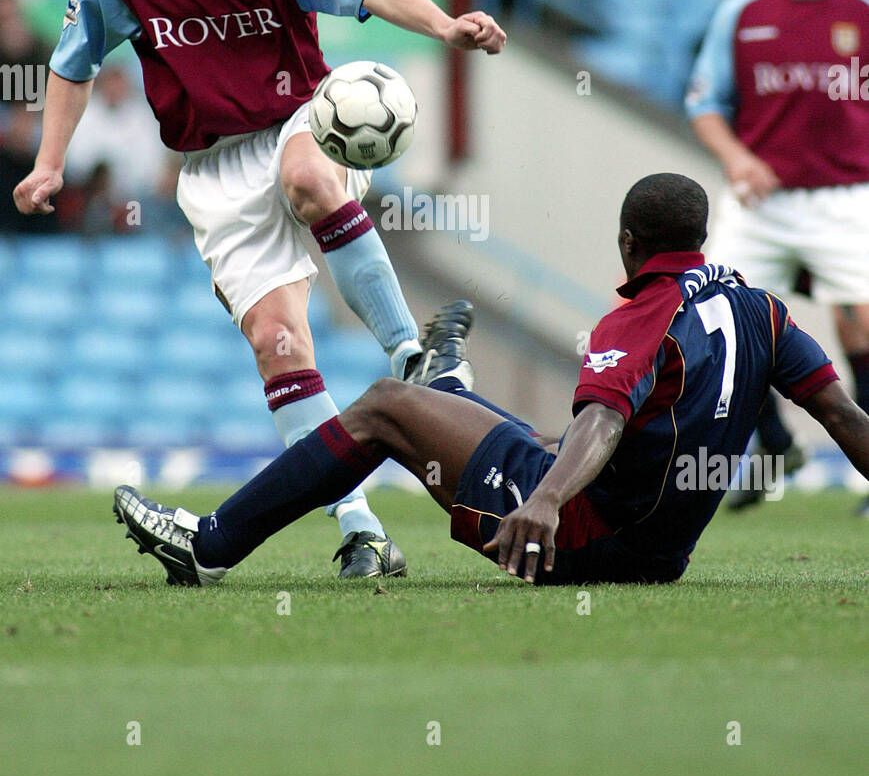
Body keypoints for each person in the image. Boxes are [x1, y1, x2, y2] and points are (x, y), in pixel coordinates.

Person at [13, 0, 505, 576]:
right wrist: (49, 164)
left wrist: (444, 24)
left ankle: (411, 357)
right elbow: (72, 64)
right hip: (209, 168)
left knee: (311, 179)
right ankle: (359, 530)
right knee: (279, 345)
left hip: (303, 118)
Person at [112, 174, 869, 589]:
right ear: (700, 239)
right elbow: (841, 414)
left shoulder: (639, 318)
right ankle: (447, 385)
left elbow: (602, 424)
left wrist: (542, 501)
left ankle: (210, 546)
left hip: (582, 539)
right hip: (660, 550)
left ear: (627, 242)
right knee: (534, 436)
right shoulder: (760, 309)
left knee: (382, 408)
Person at [686, 0, 869, 513]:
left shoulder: (861, 13)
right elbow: (705, 103)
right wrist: (738, 159)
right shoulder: (745, 12)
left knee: (864, 320)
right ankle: (774, 442)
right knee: (717, 318)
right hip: (763, 204)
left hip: (847, 197)